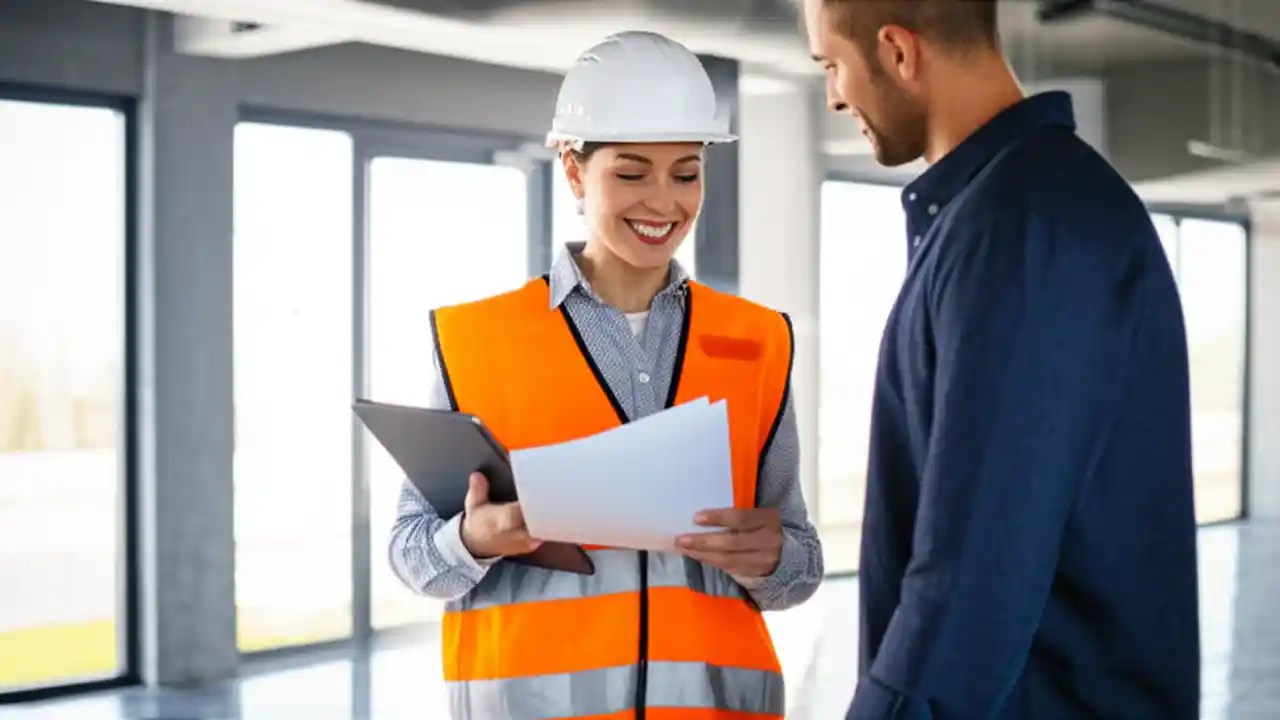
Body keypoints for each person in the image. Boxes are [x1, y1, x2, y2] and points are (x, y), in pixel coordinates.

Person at [388, 30, 823, 720]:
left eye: (686, 173)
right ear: (572, 170)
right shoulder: (476, 340)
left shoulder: (758, 340)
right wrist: (473, 540)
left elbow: (799, 563)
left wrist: (772, 560)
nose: (663, 202)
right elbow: (412, 554)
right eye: (631, 173)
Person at [800, 1, 1200, 718]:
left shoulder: (1021, 226)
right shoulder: (1004, 211)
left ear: (897, 51)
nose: (833, 94)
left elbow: (973, 575)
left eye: (832, 64)